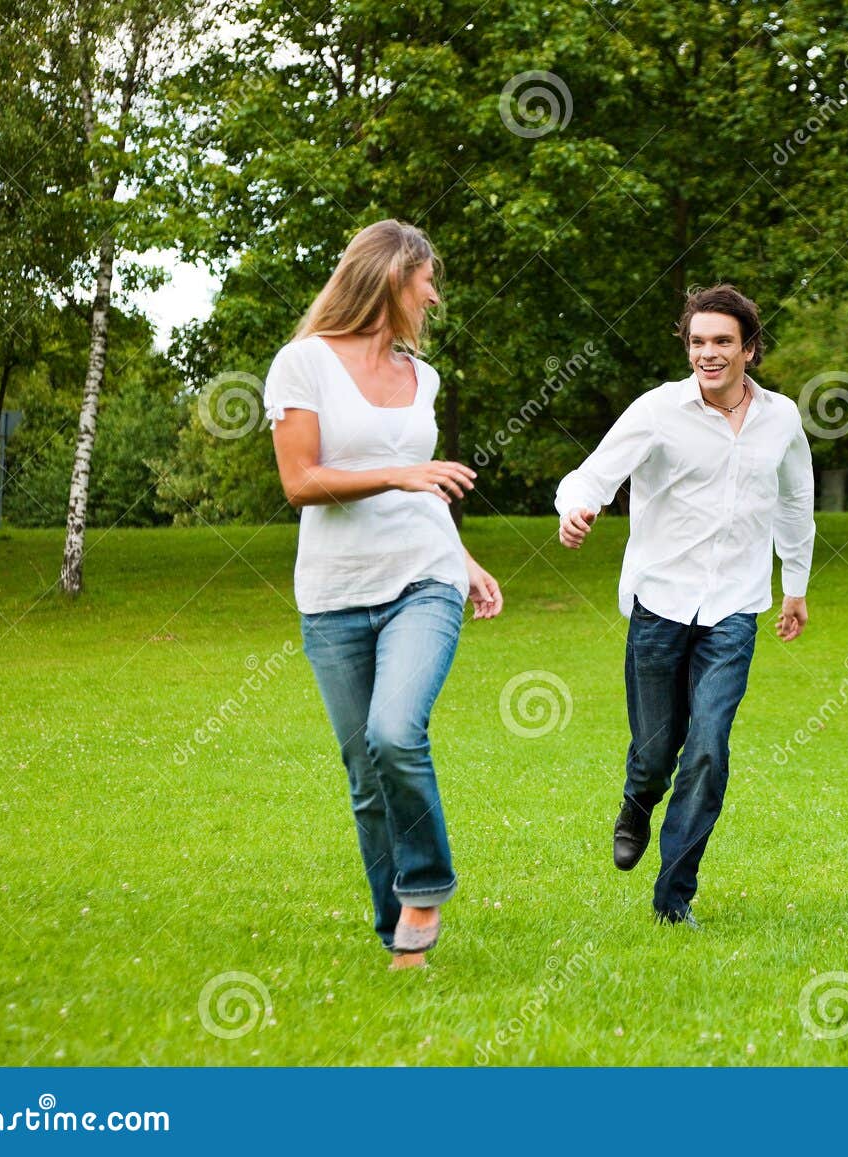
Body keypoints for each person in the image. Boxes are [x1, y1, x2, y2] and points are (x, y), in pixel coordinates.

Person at [264, 219, 503, 970]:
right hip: (334, 592)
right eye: (426, 279)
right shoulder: (302, 365)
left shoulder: (420, 375)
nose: (433, 294)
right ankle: (398, 935)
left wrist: (460, 557)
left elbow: (419, 484)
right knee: (366, 773)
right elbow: (300, 482)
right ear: (391, 278)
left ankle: (425, 885)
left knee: (396, 731)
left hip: (423, 577)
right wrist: (403, 475)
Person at [555, 284, 815, 927]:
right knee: (654, 750)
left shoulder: (781, 418)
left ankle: (675, 898)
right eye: (698, 341)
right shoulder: (657, 410)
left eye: (722, 341)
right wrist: (575, 510)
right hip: (660, 603)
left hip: (735, 607)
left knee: (707, 747)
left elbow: (795, 500)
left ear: (749, 349)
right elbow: (591, 476)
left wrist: (796, 586)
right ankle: (637, 803)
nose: (708, 353)